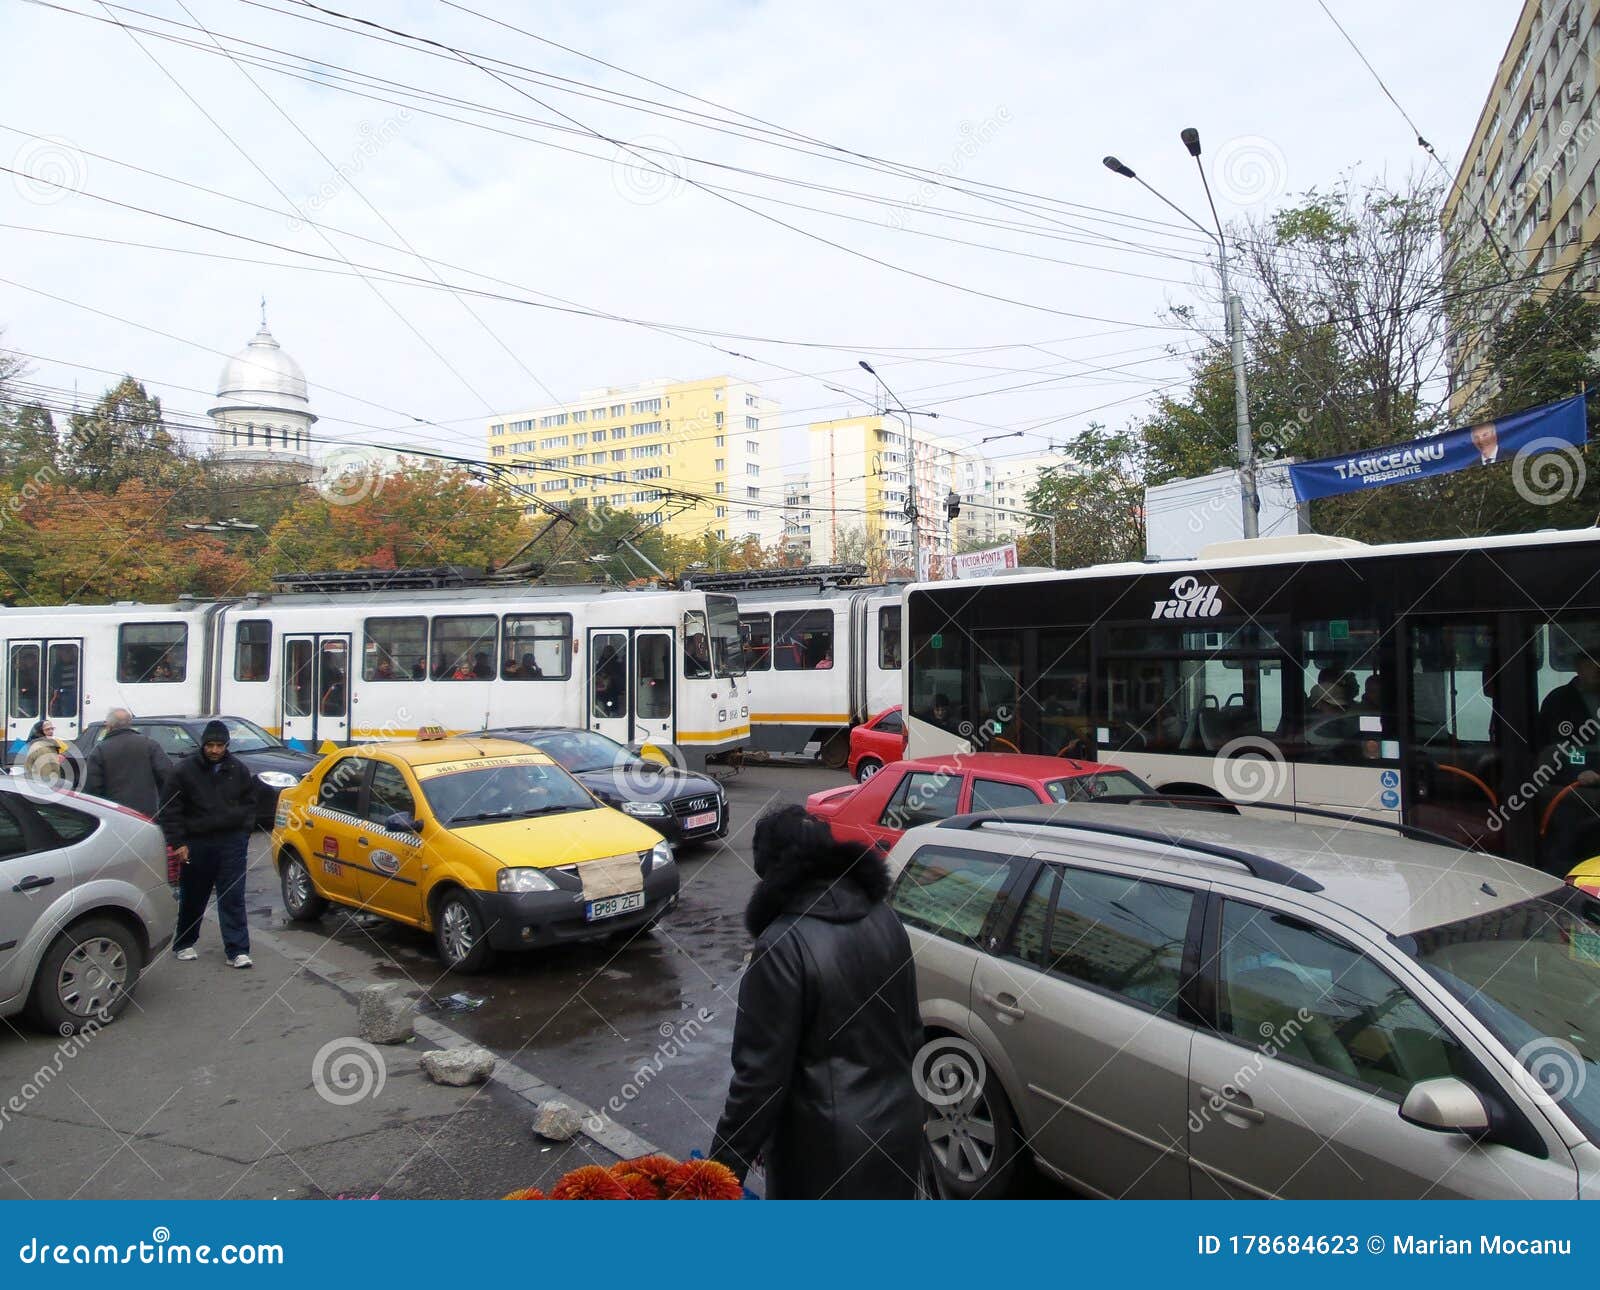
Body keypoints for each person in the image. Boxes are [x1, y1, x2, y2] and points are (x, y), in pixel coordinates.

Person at [710, 805, 922, 1198]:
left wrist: (718, 1174)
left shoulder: (781, 944)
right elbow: (912, 1032)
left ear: (774, 873)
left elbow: (759, 1079)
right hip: (899, 1133)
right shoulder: (886, 919)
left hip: (821, 1155)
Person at [160, 720, 261, 969]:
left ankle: (237, 950)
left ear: (227, 745)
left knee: (233, 896)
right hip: (197, 842)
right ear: (203, 744)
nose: (215, 750)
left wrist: (243, 833)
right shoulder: (184, 771)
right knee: (193, 896)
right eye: (210, 745)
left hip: (231, 842)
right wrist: (178, 842)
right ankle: (184, 943)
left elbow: (250, 804)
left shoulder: (238, 770)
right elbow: (170, 809)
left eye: (220, 745)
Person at [84, 708, 169, 818]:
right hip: (147, 813)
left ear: (109, 725)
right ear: (129, 723)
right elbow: (166, 776)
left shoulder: (100, 750)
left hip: (114, 813)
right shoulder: (150, 744)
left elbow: (92, 787)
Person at [20, 719, 63, 785]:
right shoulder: (40, 747)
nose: (51, 731)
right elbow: (45, 771)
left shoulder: (48, 744)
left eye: (52, 729)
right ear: (39, 732)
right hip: (43, 784)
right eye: (47, 729)